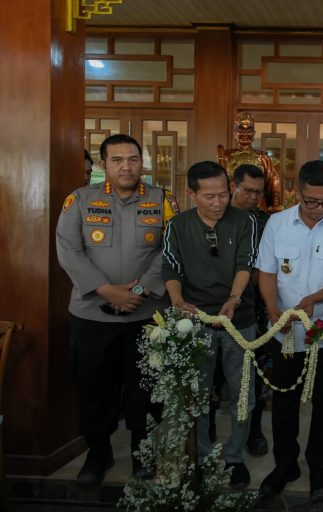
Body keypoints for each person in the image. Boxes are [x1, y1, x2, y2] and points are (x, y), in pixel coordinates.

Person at [56, 134, 179, 485]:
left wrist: (138, 291)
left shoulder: (161, 200)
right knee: (94, 388)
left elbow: (170, 250)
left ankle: (143, 452)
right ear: (103, 165)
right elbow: (69, 250)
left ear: (143, 162)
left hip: (145, 315)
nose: (127, 166)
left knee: (146, 388)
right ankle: (98, 452)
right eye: (117, 160)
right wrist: (106, 290)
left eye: (133, 159)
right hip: (92, 315)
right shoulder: (79, 201)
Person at [256, 160, 323, 502]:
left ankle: (317, 466)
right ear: (297, 192)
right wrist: (275, 313)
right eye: (312, 201)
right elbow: (267, 274)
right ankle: (285, 464)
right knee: (283, 402)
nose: (320, 209)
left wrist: (312, 299)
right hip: (284, 333)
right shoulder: (277, 223)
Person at [161, 160, 259, 490]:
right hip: (194, 318)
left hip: (238, 318)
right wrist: (177, 302)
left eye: (223, 195)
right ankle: (202, 457)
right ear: (192, 195)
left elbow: (246, 262)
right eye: (209, 197)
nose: (218, 203)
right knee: (197, 393)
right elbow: (171, 269)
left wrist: (234, 297)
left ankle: (235, 458)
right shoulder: (177, 226)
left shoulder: (244, 220)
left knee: (242, 392)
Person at [230, 163, 272, 457]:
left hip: (255, 305)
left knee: (253, 375)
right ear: (234, 186)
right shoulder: (219, 215)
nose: (253, 197)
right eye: (248, 190)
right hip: (216, 304)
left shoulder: (266, 221)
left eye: (259, 192)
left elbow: (269, 264)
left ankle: (253, 432)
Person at [217, 112, 282, 212]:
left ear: (254, 133)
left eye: (249, 130)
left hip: (258, 203)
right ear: (235, 132)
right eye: (241, 130)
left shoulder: (262, 157)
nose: (245, 134)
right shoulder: (226, 156)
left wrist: (275, 200)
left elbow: (273, 178)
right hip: (233, 203)